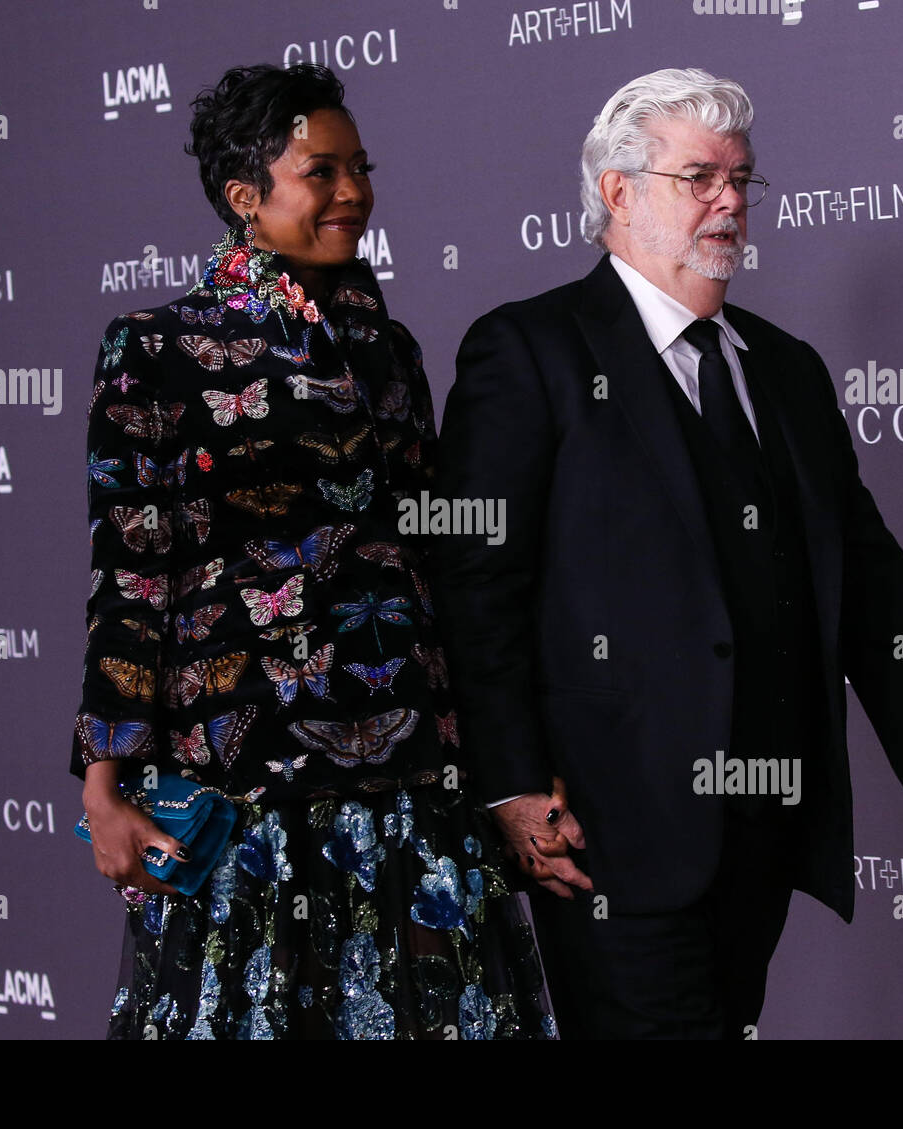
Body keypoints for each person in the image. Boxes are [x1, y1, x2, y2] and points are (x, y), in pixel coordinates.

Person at [432, 67, 903, 1039]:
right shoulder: (527, 352)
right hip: (603, 831)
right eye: (699, 177)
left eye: (740, 178)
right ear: (618, 191)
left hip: (762, 829)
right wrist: (510, 782)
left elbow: (859, 571)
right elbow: (474, 584)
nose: (729, 201)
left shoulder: (784, 368)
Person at [70, 62, 552, 1040]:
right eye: (320, 172)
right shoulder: (156, 347)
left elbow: (430, 559)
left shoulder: (389, 348)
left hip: (411, 778)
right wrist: (103, 780)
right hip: (247, 778)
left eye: (359, 169)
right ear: (244, 197)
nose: (353, 193)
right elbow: (132, 573)